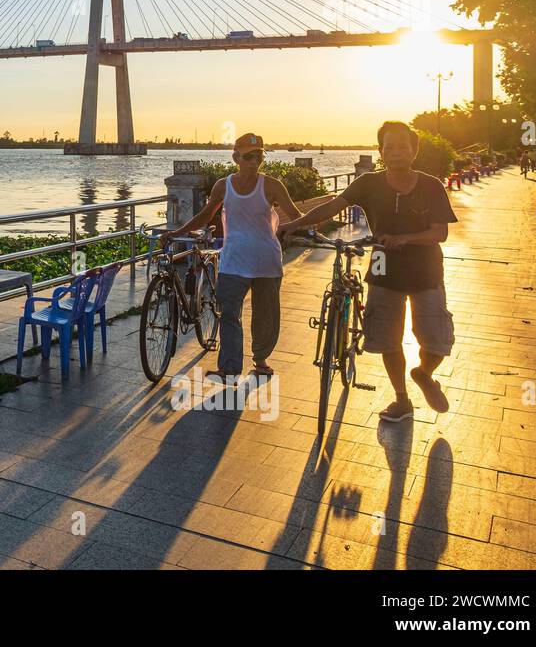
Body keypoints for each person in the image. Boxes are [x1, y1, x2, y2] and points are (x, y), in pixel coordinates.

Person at [279, 121, 457, 422]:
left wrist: (405, 239)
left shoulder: (431, 186)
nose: (396, 152)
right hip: (383, 265)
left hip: (426, 269)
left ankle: (424, 374)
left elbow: (440, 233)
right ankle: (401, 399)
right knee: (388, 337)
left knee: (435, 338)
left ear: (414, 151)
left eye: (403, 146)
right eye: (389, 147)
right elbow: (333, 206)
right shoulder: (369, 184)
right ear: (381, 152)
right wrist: (293, 224)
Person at [160, 132, 304, 382]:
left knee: (265, 315)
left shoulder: (271, 185)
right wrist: (178, 232)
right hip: (234, 260)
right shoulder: (223, 186)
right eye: (249, 156)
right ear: (236, 157)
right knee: (227, 312)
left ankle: (260, 361)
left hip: (266, 262)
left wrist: (305, 227)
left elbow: (295, 215)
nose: (254, 161)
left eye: (259, 156)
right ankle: (229, 367)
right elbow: (205, 215)